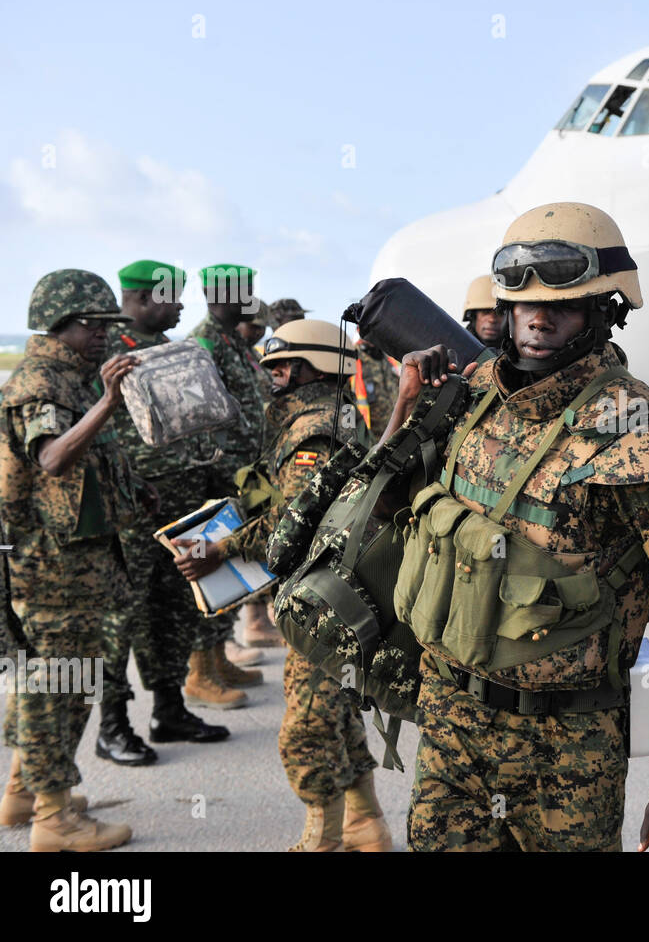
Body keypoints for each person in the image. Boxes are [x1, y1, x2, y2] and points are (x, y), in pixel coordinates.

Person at [392, 201, 649, 852]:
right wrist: (405, 411)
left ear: (606, 308)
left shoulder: (635, 425)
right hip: (449, 728)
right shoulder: (475, 395)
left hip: (565, 756)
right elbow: (389, 510)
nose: (539, 317)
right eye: (523, 302)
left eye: (565, 303)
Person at [174, 319, 390, 851]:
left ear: (315, 368)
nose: (273, 376)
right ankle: (366, 826)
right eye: (271, 366)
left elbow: (293, 519)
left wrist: (219, 550)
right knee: (337, 712)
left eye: (282, 366)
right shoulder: (331, 417)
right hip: (339, 592)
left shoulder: (313, 428)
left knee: (308, 726)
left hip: (322, 599)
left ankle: (324, 840)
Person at [0, 269, 141, 850]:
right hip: (53, 572)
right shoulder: (42, 382)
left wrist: (133, 490)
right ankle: (56, 821)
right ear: (64, 324)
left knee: (46, 684)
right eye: (97, 325)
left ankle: (23, 796)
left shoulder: (69, 376)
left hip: (74, 564)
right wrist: (109, 402)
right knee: (59, 687)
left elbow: (82, 469)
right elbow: (54, 457)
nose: (106, 335)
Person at [96, 260, 231, 767]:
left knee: (173, 607)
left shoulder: (176, 351)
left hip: (181, 503)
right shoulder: (105, 353)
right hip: (129, 510)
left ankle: (169, 710)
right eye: (172, 298)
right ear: (145, 297)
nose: (179, 307)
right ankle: (112, 726)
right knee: (124, 615)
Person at [187, 263, 277, 702]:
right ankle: (201, 671)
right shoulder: (204, 341)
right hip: (218, 472)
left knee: (229, 566)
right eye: (240, 289)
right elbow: (198, 414)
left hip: (244, 471)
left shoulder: (233, 341)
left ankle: (219, 657)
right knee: (209, 565)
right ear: (215, 292)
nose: (247, 296)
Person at [352, 337, 401, 434]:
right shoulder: (353, 358)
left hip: (396, 430)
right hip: (371, 436)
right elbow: (347, 402)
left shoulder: (388, 357)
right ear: (359, 329)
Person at [461, 274, 505, 348]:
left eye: (499, 312)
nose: (492, 320)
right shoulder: (453, 348)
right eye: (485, 312)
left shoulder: (521, 354)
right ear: (473, 316)